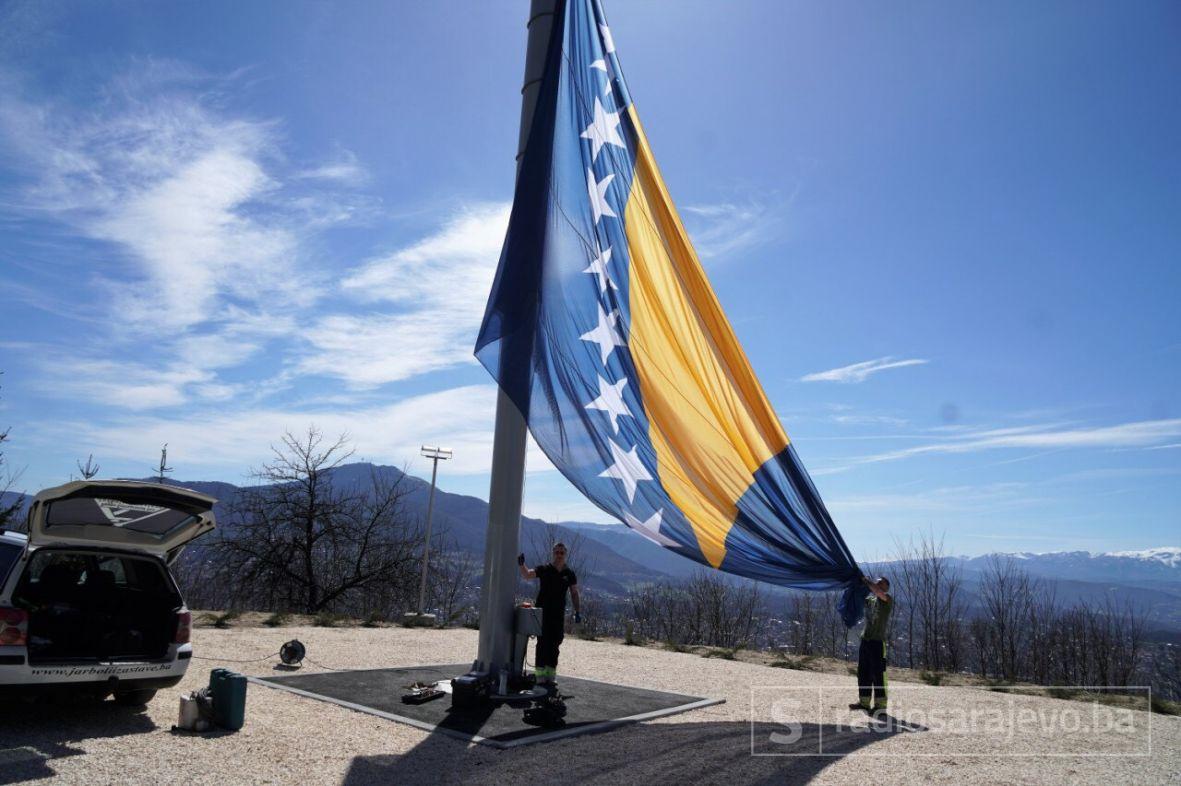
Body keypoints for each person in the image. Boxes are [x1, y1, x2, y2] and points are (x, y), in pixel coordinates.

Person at [517, 542, 581, 688]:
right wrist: (521, 564)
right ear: (553, 553)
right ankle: (540, 675)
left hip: (558, 614)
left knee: (555, 643)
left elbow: (575, 593)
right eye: (557, 552)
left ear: (565, 555)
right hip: (542, 612)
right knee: (543, 643)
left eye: (562, 553)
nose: (559, 555)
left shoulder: (569, 574)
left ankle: (550, 675)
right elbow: (527, 575)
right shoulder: (544, 569)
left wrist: (578, 611)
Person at [850, 575, 892, 715]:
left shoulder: (887, 600)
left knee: (878, 674)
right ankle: (864, 703)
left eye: (881, 583)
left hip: (877, 642)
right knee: (863, 673)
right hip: (866, 640)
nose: (878, 585)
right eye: (877, 583)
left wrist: (867, 581)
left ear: (886, 587)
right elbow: (860, 598)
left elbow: (878, 593)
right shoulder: (870, 600)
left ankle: (880, 706)